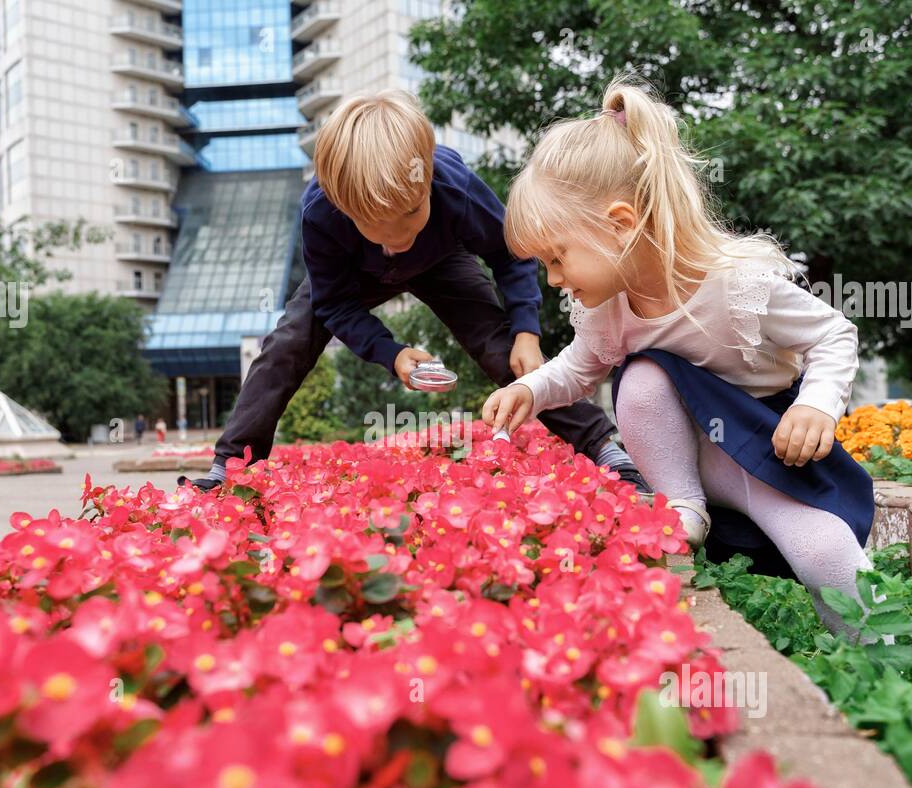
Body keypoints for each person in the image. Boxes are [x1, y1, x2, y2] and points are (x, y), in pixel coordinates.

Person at [482, 76, 876, 638]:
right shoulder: (607, 310)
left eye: (558, 257)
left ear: (619, 226)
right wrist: (530, 390)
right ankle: (681, 507)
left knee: (826, 555)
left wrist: (816, 406)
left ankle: (883, 658)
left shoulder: (736, 287)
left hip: (767, 453)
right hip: (687, 460)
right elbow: (578, 367)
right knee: (641, 375)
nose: (554, 279)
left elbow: (834, 334)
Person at [180, 90, 649, 495]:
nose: (395, 240)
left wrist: (527, 328)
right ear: (343, 206)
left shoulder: (455, 186)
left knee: (500, 346)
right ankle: (231, 465)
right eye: (374, 226)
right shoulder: (320, 212)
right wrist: (393, 353)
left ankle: (602, 445)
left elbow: (512, 255)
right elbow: (334, 304)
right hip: (350, 276)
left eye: (409, 216)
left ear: (426, 182)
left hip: (441, 260)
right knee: (286, 344)